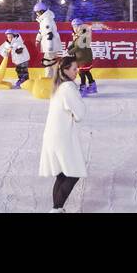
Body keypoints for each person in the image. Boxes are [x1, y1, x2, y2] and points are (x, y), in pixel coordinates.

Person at [39, 56, 87, 212]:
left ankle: (57, 208)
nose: (77, 71)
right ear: (65, 70)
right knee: (73, 173)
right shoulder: (68, 88)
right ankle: (56, 209)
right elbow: (80, 114)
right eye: (74, 69)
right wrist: (73, 114)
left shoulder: (58, 86)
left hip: (53, 136)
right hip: (62, 137)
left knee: (62, 174)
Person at [34, 1, 63, 78]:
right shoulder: (44, 20)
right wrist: (38, 39)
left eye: (37, 12)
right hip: (50, 45)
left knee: (48, 61)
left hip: (50, 45)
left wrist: (50, 47)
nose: (36, 14)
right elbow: (42, 31)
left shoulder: (46, 20)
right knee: (52, 61)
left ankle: (50, 78)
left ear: (40, 12)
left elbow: (49, 34)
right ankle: (55, 77)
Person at [70, 18, 97, 96]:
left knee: (81, 73)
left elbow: (78, 46)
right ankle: (92, 86)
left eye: (76, 27)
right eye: (74, 27)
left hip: (83, 58)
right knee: (86, 71)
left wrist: (69, 52)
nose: (75, 29)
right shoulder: (79, 34)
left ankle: (83, 88)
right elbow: (74, 44)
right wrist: (70, 47)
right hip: (84, 57)